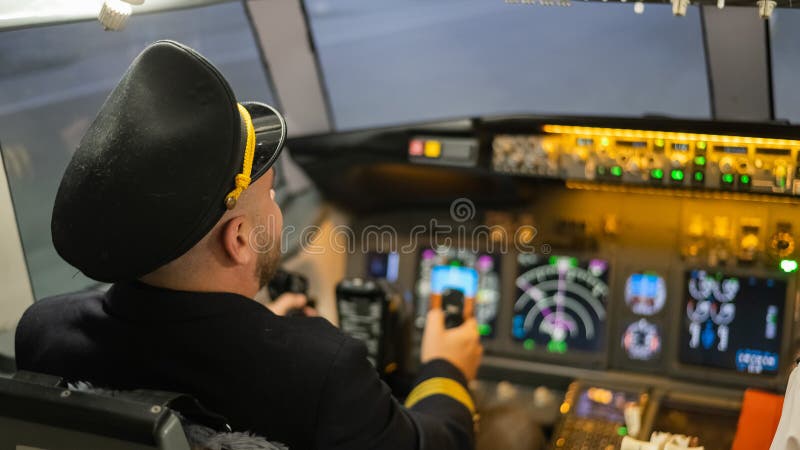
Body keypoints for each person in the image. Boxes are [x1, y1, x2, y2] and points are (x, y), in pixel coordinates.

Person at [14, 40, 483, 450]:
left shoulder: (44, 332)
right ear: (239, 239)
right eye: (272, 197)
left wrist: (266, 335)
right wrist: (447, 366)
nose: (278, 211)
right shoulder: (320, 373)